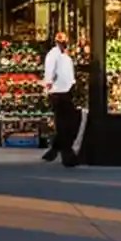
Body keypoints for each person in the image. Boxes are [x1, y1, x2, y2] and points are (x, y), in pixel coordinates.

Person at [41, 32, 78, 167]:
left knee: (66, 123)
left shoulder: (65, 55)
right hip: (58, 92)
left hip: (66, 91)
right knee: (65, 124)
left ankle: (55, 149)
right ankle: (66, 154)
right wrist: (48, 86)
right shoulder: (53, 55)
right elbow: (49, 73)